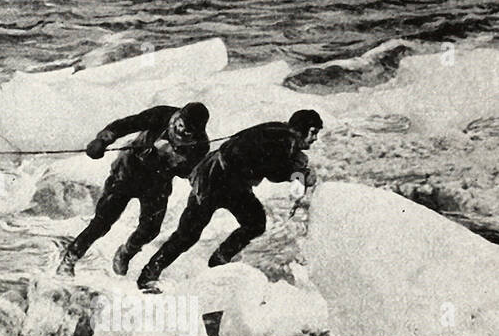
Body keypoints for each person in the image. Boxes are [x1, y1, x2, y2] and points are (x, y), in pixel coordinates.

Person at [135, 109, 324, 291]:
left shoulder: (279, 132)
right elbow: (274, 171)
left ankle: (211, 262)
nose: (314, 138)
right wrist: (301, 174)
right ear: (301, 129)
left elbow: (274, 164)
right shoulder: (285, 140)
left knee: (199, 232)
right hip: (219, 181)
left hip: (223, 179)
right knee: (240, 226)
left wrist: (298, 170)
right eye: (313, 133)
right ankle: (211, 261)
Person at [59, 102, 210, 277]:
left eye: (188, 131)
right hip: (128, 171)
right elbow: (129, 124)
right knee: (102, 222)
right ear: (178, 118)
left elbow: (187, 173)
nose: (181, 132)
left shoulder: (201, 146)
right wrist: (103, 140)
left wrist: (168, 161)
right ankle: (69, 260)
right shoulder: (162, 114)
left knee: (151, 229)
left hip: (157, 183)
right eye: (181, 125)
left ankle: (126, 253)